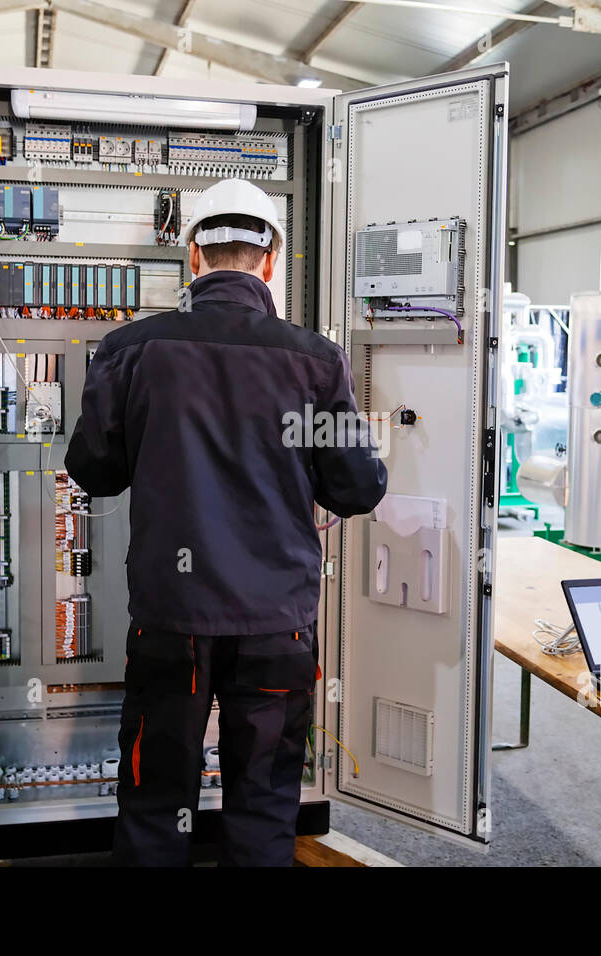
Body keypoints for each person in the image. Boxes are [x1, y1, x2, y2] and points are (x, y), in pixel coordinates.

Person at [64, 178, 388, 866]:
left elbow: (94, 471)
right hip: (276, 618)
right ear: (270, 259)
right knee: (265, 800)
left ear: (192, 257)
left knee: (157, 800)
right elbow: (358, 489)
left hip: (171, 617)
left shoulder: (129, 349)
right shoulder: (315, 359)